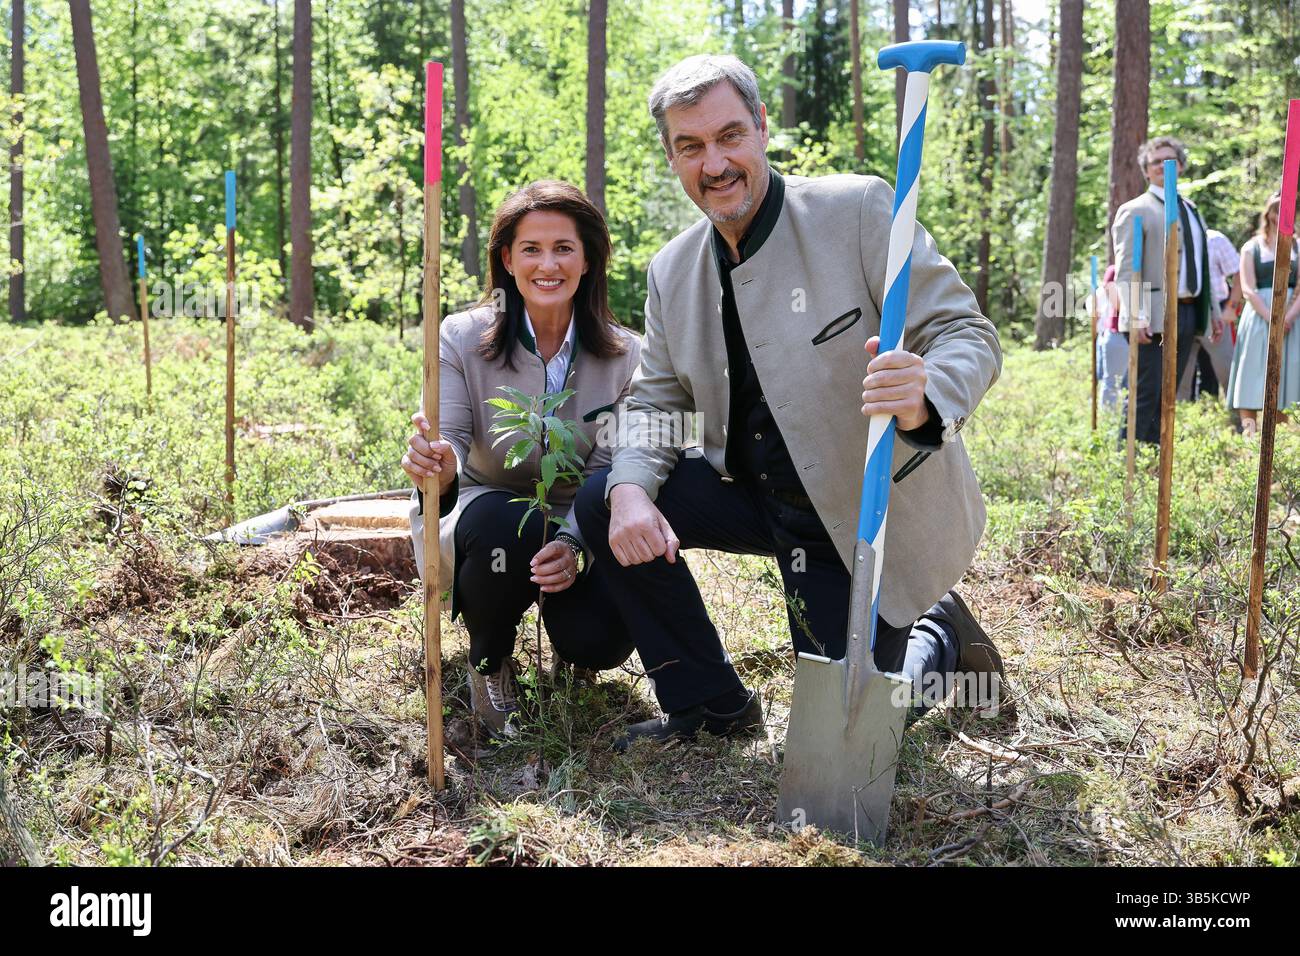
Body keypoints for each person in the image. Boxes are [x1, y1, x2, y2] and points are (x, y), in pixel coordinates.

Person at [573, 55, 1004, 751]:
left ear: (762, 128)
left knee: (849, 734)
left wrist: (927, 393)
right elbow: (655, 397)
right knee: (602, 500)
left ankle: (940, 632)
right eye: (691, 147)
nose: (714, 163)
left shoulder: (858, 210)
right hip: (757, 498)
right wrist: (628, 490)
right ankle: (709, 707)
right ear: (672, 157)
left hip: (865, 512)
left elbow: (965, 332)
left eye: (729, 136)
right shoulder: (672, 269)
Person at [403, 181, 641, 735]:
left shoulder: (627, 354)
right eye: (531, 249)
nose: (547, 264)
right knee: (502, 521)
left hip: (585, 515)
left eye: (564, 247)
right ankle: (489, 662)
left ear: (588, 259)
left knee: (599, 640)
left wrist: (575, 543)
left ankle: (570, 648)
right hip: (483, 508)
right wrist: (440, 466)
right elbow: (453, 436)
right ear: (507, 259)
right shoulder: (463, 337)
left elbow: (611, 464)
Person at [1112, 137, 1224, 444]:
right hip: (1151, 316)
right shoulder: (1135, 210)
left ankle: (1157, 457)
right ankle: (1131, 457)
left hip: (1188, 310)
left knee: (1169, 391)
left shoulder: (1191, 209)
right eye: (1155, 161)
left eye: (1169, 159)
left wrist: (1213, 311)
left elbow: (1202, 264)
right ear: (1146, 171)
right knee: (1146, 390)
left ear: (1182, 165)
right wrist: (1135, 315)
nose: (1162, 165)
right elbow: (1125, 269)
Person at [1226, 192, 1300, 437]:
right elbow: (1247, 287)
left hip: (1292, 316)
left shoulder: (1298, 245)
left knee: (1285, 375)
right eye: (1276, 210)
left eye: (1286, 210)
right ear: (1268, 213)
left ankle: (1277, 440)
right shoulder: (1252, 247)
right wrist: (1271, 317)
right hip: (1260, 315)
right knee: (1252, 370)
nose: (1280, 216)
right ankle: (1249, 434)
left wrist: (1287, 318)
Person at [1179, 228, 1241, 401]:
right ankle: (1179, 423)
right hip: (1182, 309)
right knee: (1179, 376)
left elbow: (1239, 271)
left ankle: (1239, 422)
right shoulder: (1169, 237)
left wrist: (1231, 306)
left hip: (1216, 310)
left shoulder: (1215, 239)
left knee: (1228, 369)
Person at [1094, 263, 1127, 409]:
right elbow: (1117, 302)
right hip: (1118, 334)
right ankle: (1109, 421)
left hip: (1142, 335)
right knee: (1112, 382)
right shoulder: (1114, 270)